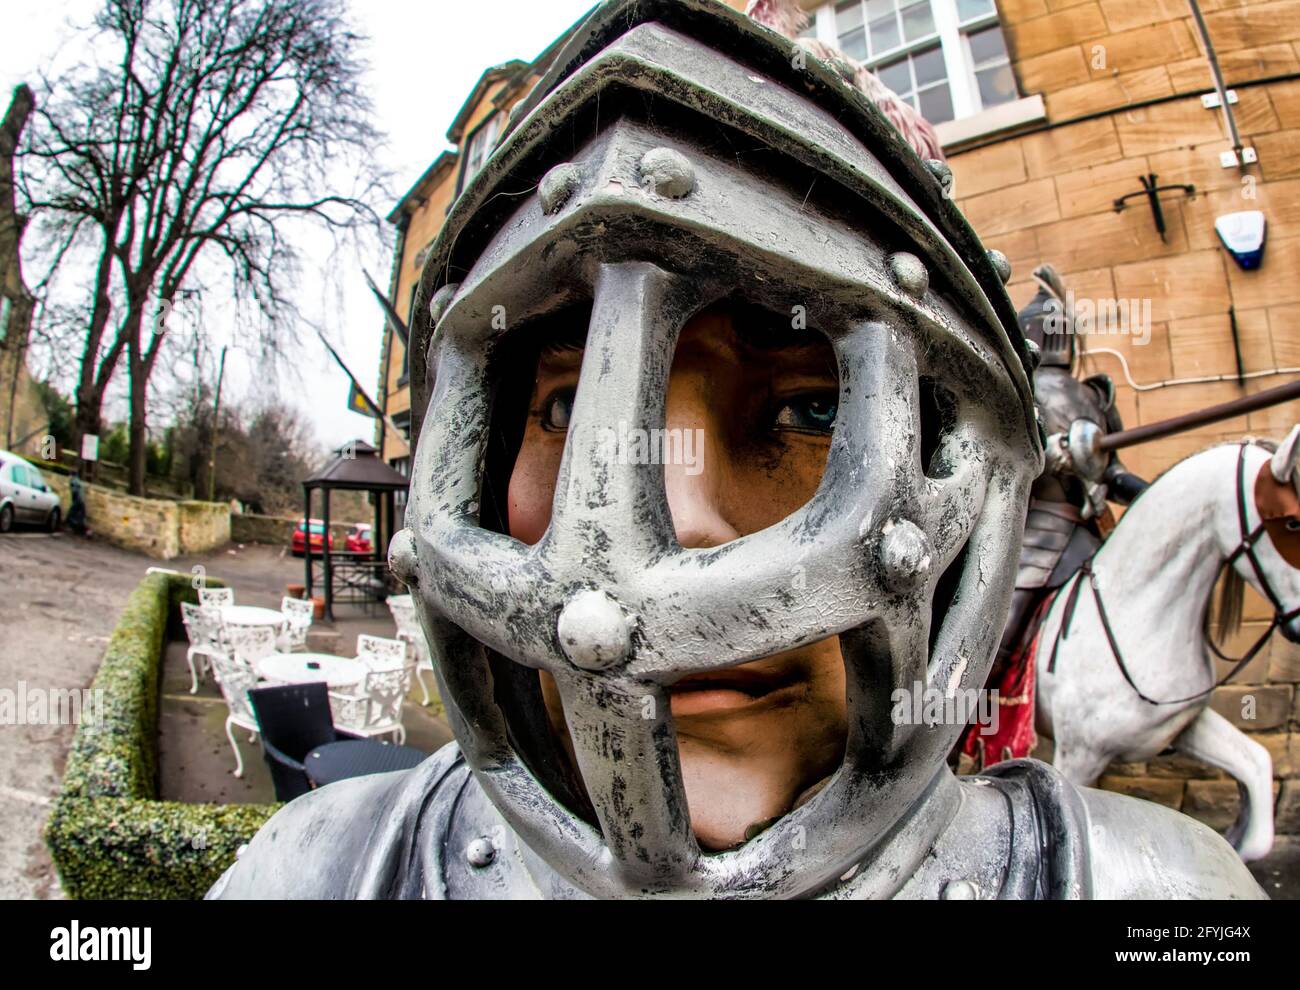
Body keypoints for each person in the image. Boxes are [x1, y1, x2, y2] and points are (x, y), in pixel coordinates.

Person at [209, 0, 1262, 899]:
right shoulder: (322, 873)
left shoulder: (1145, 894)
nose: (674, 522)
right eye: (570, 408)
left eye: (810, 412)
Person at [66, 470, 88, 536]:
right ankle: (85, 531)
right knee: (80, 517)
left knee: (71, 514)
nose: (68, 477)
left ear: (72, 475)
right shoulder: (78, 481)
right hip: (82, 501)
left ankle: (71, 528)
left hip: (77, 500)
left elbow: (74, 491)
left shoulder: (73, 481)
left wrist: (74, 501)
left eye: (69, 475)